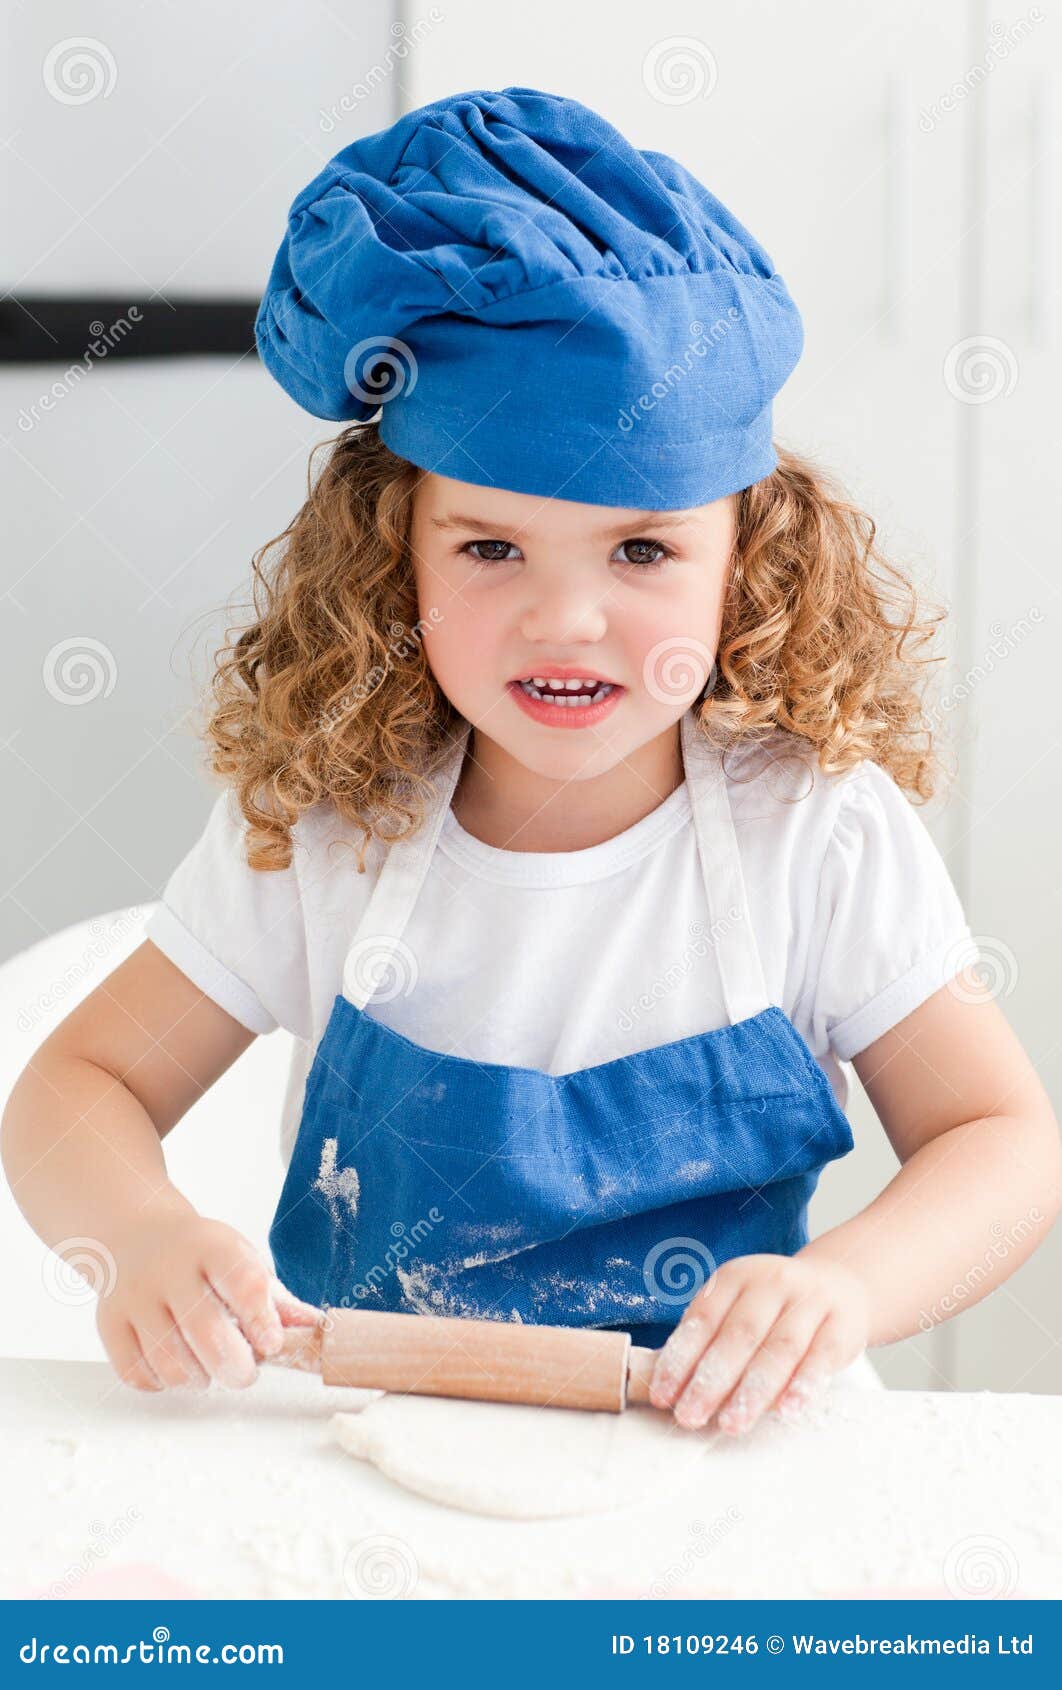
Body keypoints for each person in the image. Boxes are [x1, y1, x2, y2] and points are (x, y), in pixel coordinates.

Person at [5, 88, 1059, 1439]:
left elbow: (999, 1143)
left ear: (749, 558)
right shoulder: (334, 828)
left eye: (641, 550)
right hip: (360, 1449)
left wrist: (842, 1288)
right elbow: (73, 1090)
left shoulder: (815, 833)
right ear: (392, 555)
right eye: (491, 548)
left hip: (711, 1460)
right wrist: (140, 1236)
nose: (566, 620)